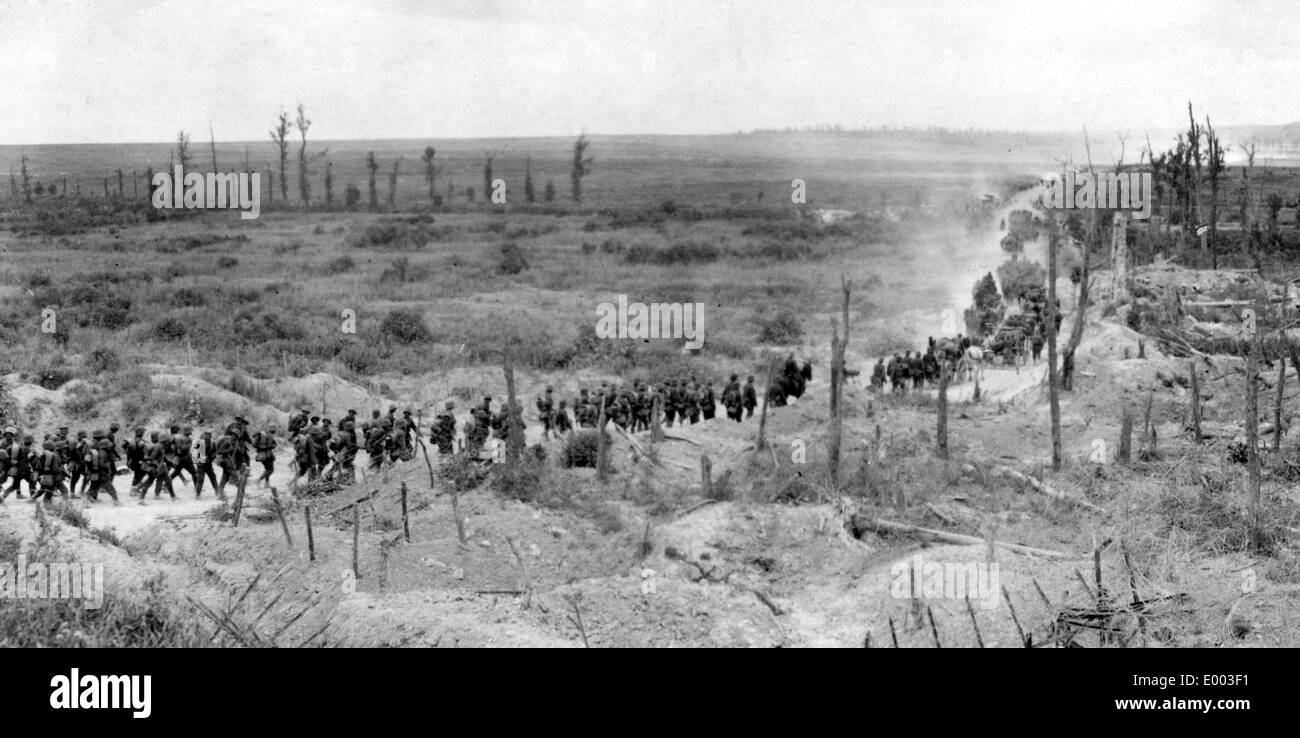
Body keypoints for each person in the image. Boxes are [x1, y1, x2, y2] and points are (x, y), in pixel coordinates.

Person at [192, 430, 219, 498]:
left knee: (213, 477)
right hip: (201, 464)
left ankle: (217, 492)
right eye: (206, 435)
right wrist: (202, 458)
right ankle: (198, 494)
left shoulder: (213, 443)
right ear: (203, 435)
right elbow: (194, 453)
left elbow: (215, 452)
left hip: (208, 464)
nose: (207, 437)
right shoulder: (199, 443)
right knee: (200, 479)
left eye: (209, 435)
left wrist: (210, 458)